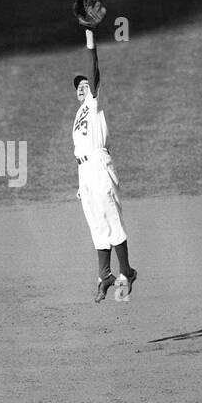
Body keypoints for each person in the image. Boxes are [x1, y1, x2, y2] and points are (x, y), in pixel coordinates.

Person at [72, 24, 136, 303]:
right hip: (85, 173)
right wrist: (80, 183)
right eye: (78, 87)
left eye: (84, 84)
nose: (81, 88)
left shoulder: (94, 103)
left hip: (99, 165)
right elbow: (79, 151)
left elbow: (93, 67)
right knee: (97, 224)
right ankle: (105, 275)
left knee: (111, 218)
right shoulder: (78, 116)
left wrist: (89, 34)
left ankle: (127, 272)